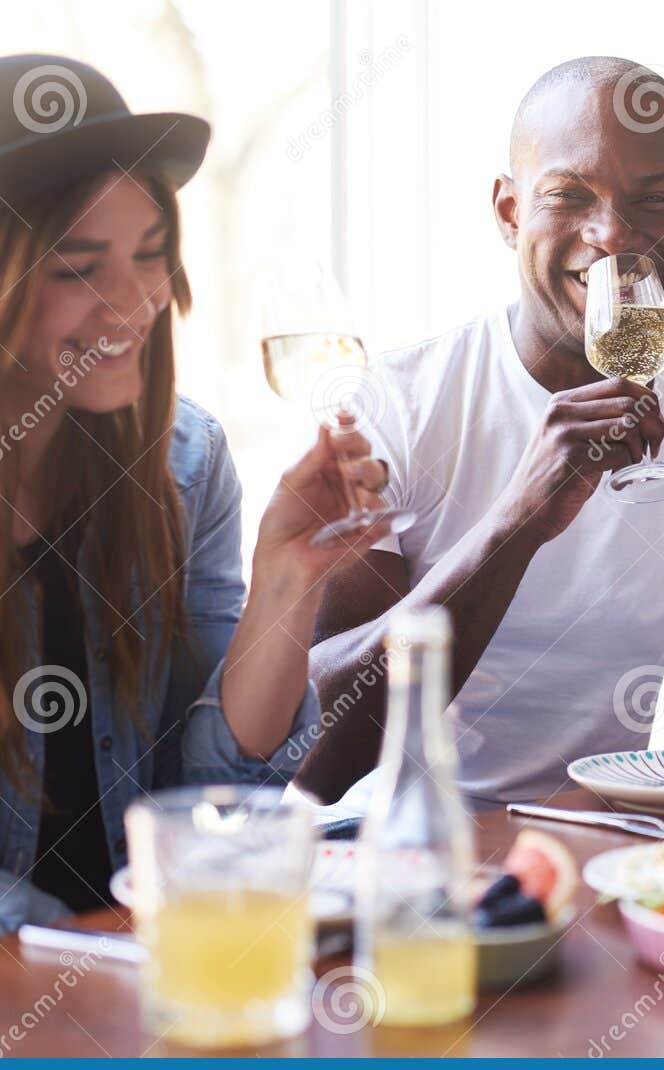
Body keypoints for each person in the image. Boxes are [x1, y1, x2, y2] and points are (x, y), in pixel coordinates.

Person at [300, 57, 664, 805]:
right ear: (509, 213)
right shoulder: (392, 408)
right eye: (568, 195)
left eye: (655, 199)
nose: (611, 234)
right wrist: (518, 522)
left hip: (604, 854)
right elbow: (317, 748)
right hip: (381, 861)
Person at [0, 55, 387, 930]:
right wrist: (75, 951)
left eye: (149, 256)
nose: (133, 303)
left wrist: (289, 580)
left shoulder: (185, 461)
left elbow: (212, 795)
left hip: (142, 963)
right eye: (77, 268)